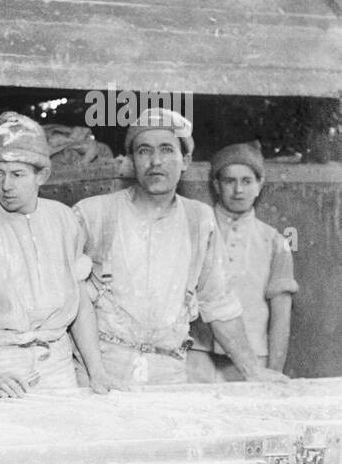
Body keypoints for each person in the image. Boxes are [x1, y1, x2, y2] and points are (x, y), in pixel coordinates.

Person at [72, 108, 285, 388]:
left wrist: (252, 369)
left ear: (185, 160)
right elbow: (62, 296)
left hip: (167, 372)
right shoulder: (93, 214)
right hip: (100, 370)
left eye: (166, 150)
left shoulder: (199, 220)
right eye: (144, 151)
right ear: (131, 160)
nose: (155, 161)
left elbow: (218, 303)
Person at [0, 112, 111, 398]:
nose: (6, 186)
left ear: (41, 175)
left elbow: (81, 304)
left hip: (56, 364)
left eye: (17, 174)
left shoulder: (64, 219)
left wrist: (97, 371)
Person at [187, 141, 296, 382]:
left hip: (251, 360)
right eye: (229, 181)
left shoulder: (275, 242)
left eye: (247, 181)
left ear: (260, 185)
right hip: (195, 356)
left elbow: (281, 318)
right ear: (216, 185)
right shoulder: (196, 231)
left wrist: (274, 373)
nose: (238, 190)